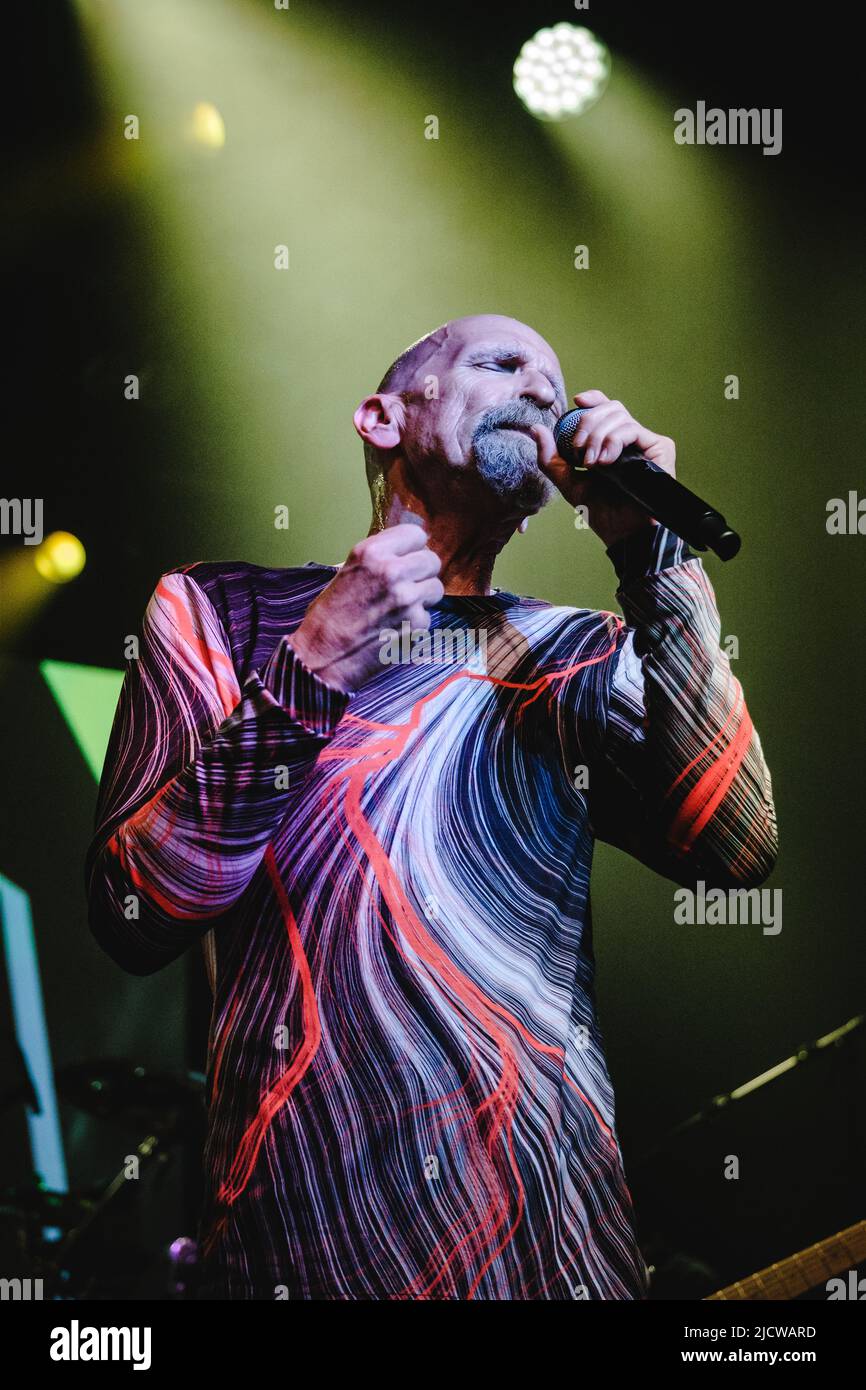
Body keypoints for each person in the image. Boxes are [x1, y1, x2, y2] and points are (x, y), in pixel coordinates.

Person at [85, 314, 778, 1299]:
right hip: (303, 1242)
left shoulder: (575, 652)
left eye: (554, 380)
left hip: (552, 1249)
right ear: (379, 418)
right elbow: (136, 911)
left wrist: (658, 563)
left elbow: (736, 846)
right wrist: (314, 663)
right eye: (501, 364)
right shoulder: (219, 613)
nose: (541, 390)